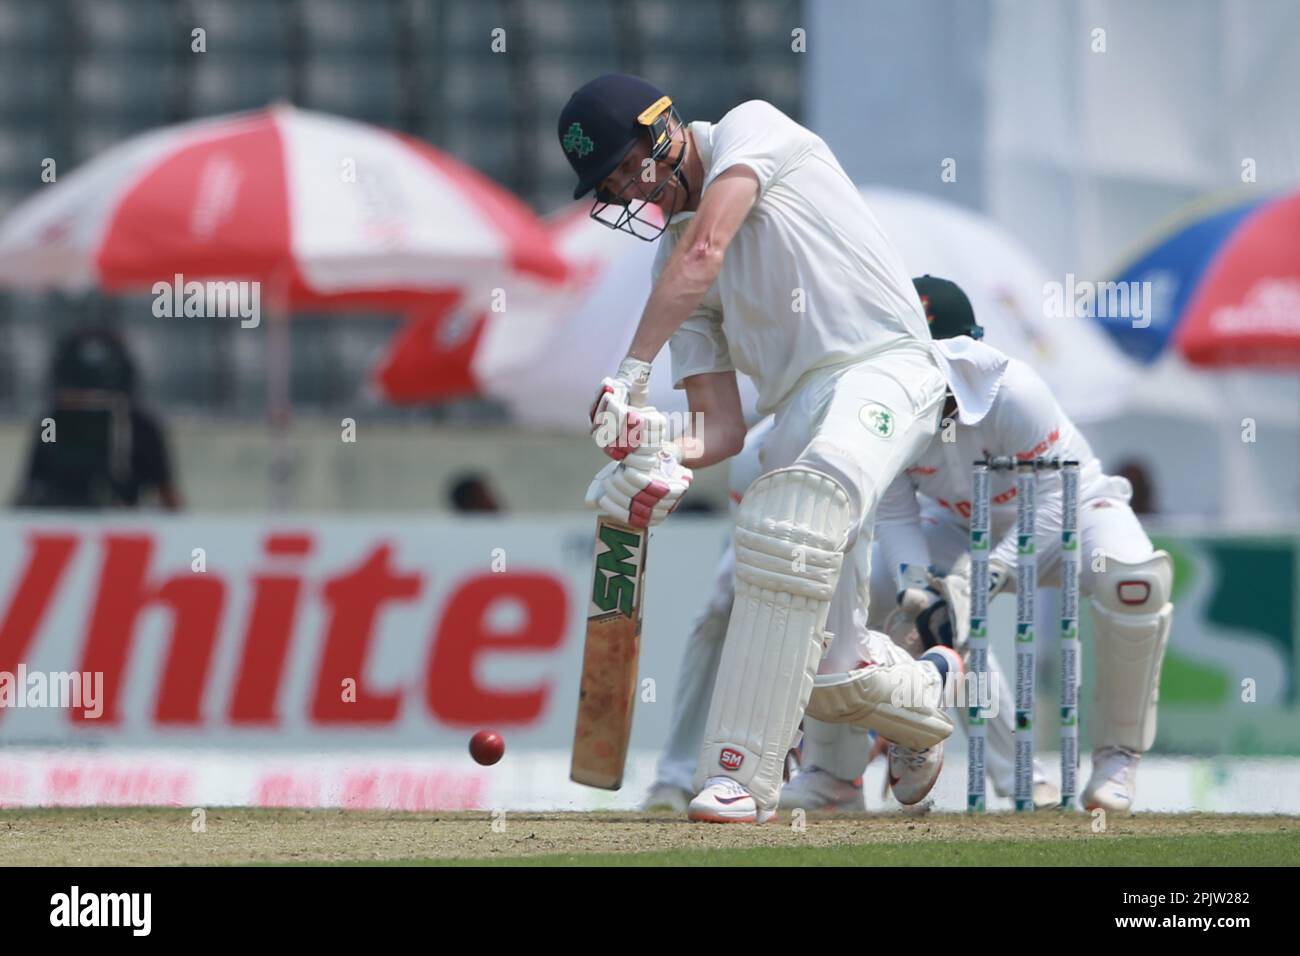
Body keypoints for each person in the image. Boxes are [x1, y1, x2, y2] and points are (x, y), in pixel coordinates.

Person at [560, 75, 958, 823]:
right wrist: (653, 446)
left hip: (886, 366)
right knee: (830, 670)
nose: (628, 188)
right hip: (798, 413)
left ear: (666, 128)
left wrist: (629, 376)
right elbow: (723, 429)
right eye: (610, 183)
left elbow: (710, 249)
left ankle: (737, 777)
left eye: (628, 166)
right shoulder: (668, 266)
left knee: (789, 522)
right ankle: (924, 697)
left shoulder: (752, 129)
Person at [786, 277, 1174, 813]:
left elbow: (1051, 497)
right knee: (882, 593)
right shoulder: (885, 406)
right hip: (955, 523)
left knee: (1135, 580)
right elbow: (896, 508)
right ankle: (839, 774)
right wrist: (918, 590)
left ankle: (1117, 760)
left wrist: (986, 573)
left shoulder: (1015, 391)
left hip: (1071, 511)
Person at [13, 327, 180, 510]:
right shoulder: (50, 424)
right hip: (61, 516)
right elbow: (31, 487)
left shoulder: (143, 428)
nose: (90, 403)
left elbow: (168, 496)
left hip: (122, 521)